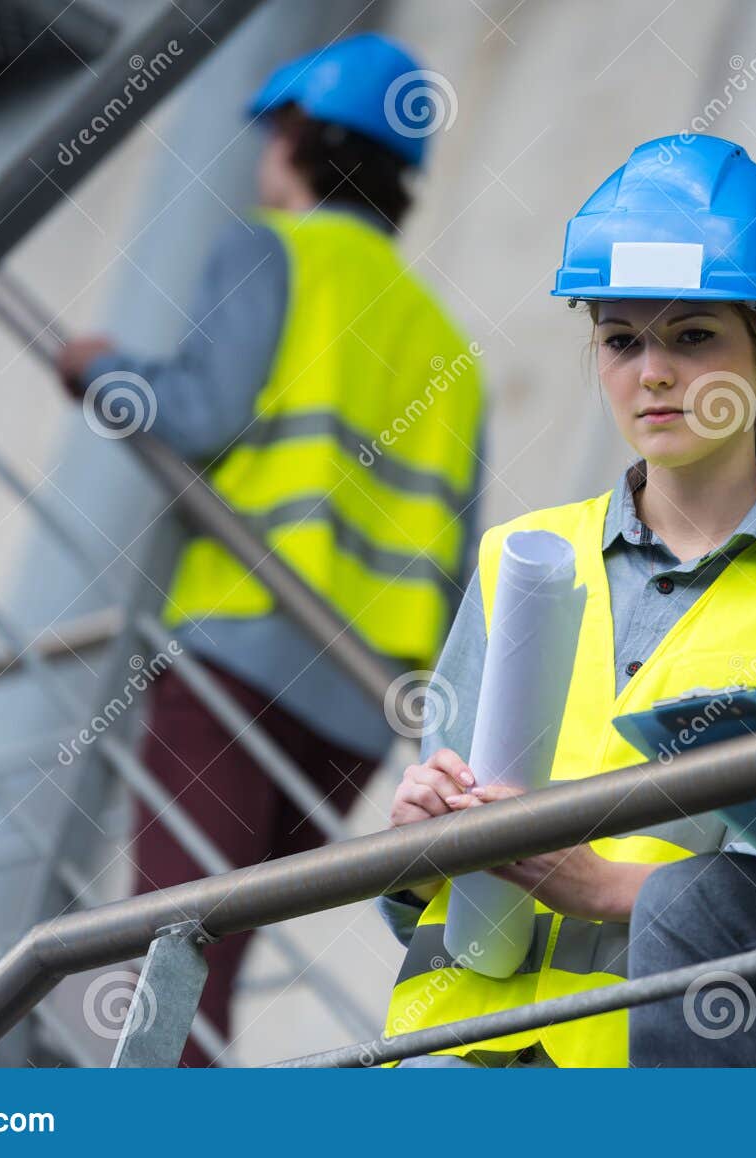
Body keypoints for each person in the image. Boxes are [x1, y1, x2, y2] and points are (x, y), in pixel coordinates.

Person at [375, 133, 756, 1068]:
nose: (652, 373)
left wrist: (606, 886)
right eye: (620, 339)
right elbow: (410, 893)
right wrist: (413, 842)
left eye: (693, 337)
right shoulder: (517, 560)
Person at [53, 33, 486, 1066]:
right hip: (356, 712)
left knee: (168, 960)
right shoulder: (449, 350)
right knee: (208, 958)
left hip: (239, 663)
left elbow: (197, 415)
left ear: (298, 135)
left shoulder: (270, 250)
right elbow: (464, 567)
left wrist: (102, 373)